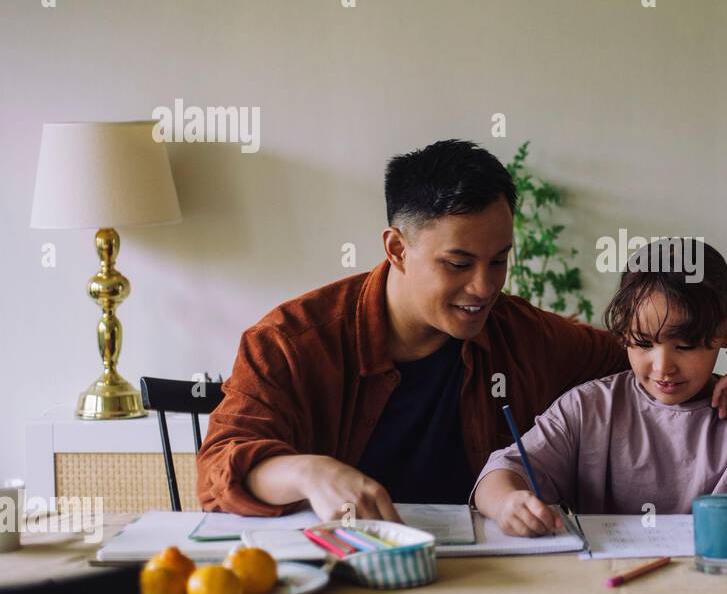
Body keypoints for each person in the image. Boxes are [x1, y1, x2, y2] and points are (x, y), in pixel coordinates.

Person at [197, 140, 628, 520]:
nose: (485, 287)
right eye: (458, 264)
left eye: (499, 260)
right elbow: (218, 469)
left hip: (495, 579)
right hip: (346, 576)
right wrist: (309, 471)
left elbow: (633, 357)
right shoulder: (291, 341)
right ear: (397, 249)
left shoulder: (523, 335)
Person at [471, 239, 727, 537]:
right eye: (643, 343)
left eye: (686, 345)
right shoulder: (589, 408)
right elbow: (499, 472)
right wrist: (507, 504)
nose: (663, 366)